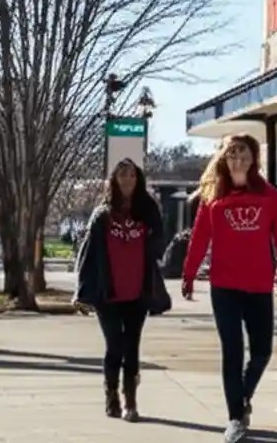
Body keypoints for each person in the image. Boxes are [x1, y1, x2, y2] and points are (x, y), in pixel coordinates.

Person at [182, 134, 277, 443]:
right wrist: (188, 274)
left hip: (259, 286)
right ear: (225, 158)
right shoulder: (214, 196)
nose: (238, 158)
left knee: (262, 351)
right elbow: (199, 238)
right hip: (225, 287)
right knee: (232, 353)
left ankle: (242, 398)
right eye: (232, 153)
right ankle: (235, 419)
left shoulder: (268, 195)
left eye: (244, 152)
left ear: (253, 158)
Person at [73, 159, 167, 422]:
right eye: (122, 175)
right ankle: (111, 396)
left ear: (138, 180)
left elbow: (160, 243)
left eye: (132, 175)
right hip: (109, 293)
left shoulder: (147, 210)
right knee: (114, 346)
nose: (127, 179)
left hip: (138, 291)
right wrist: (82, 293)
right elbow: (88, 255)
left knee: (132, 346)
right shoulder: (102, 214)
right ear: (114, 180)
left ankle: (131, 401)